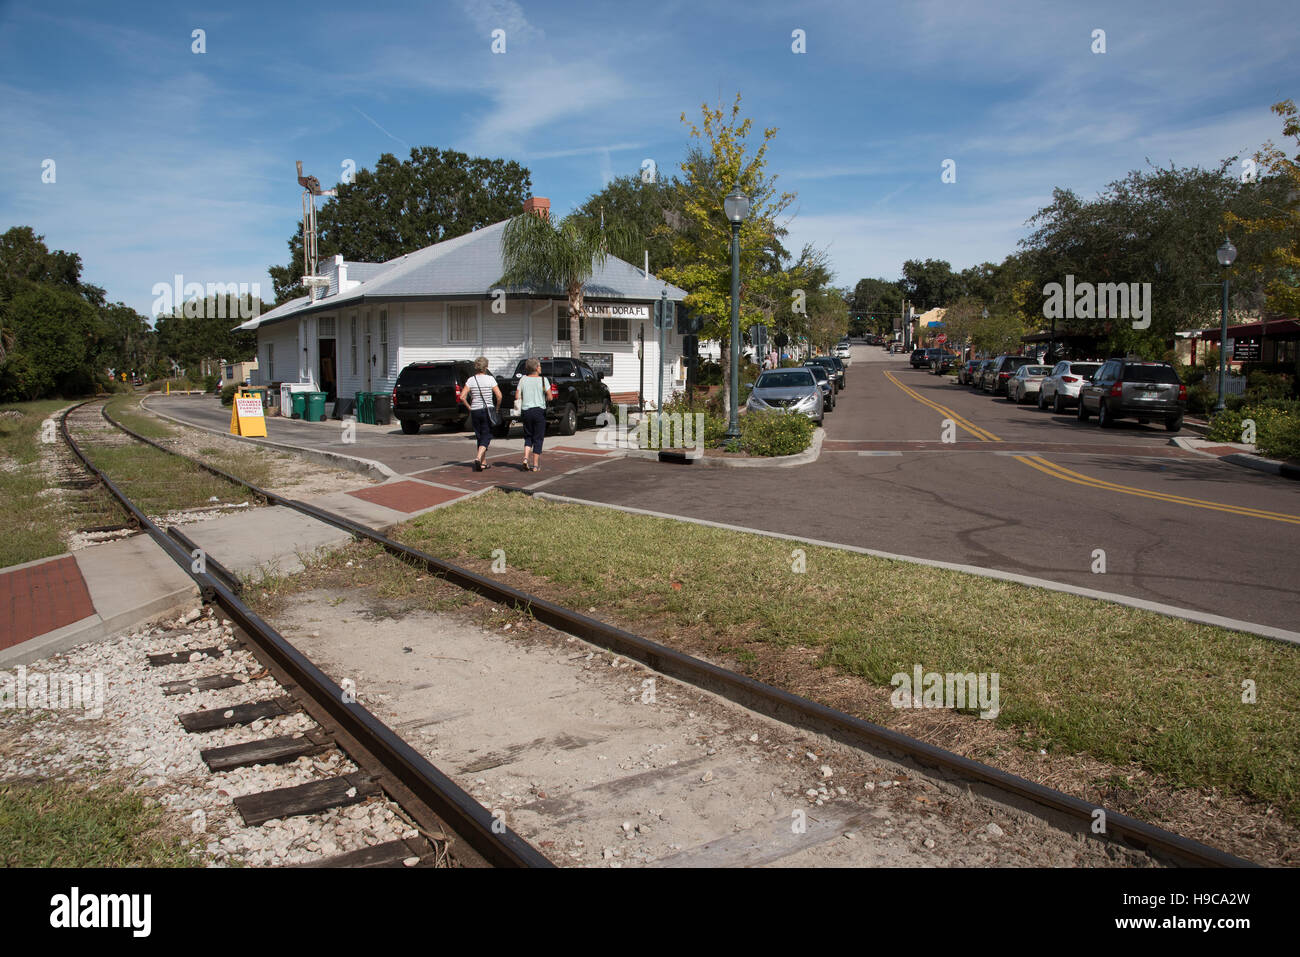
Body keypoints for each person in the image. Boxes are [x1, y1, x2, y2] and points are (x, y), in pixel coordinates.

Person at [460, 356, 502, 471]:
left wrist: (470, 407)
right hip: (487, 409)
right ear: (486, 367)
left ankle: (483, 463)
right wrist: (497, 408)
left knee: (479, 436)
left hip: (475, 411)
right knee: (487, 435)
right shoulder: (490, 379)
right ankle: (478, 458)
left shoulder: (471, 380)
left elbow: (462, 397)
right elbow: (499, 396)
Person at [518, 358, 549, 472]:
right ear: (536, 368)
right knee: (538, 437)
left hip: (526, 411)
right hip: (539, 411)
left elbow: (517, 396)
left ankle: (526, 458)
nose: (541, 368)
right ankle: (535, 465)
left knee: (528, 436)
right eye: (540, 366)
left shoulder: (523, 379)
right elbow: (550, 396)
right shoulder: (543, 380)